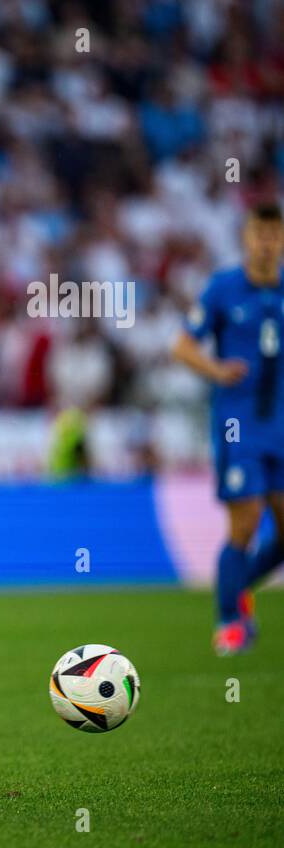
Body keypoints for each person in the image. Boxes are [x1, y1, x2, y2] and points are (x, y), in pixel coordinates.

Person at [172, 200, 284, 656]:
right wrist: (217, 371)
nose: (267, 242)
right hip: (238, 424)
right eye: (259, 233)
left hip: (280, 424)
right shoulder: (223, 288)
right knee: (246, 518)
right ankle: (228, 623)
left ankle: (237, 586)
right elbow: (182, 346)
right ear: (245, 238)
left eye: (274, 234)